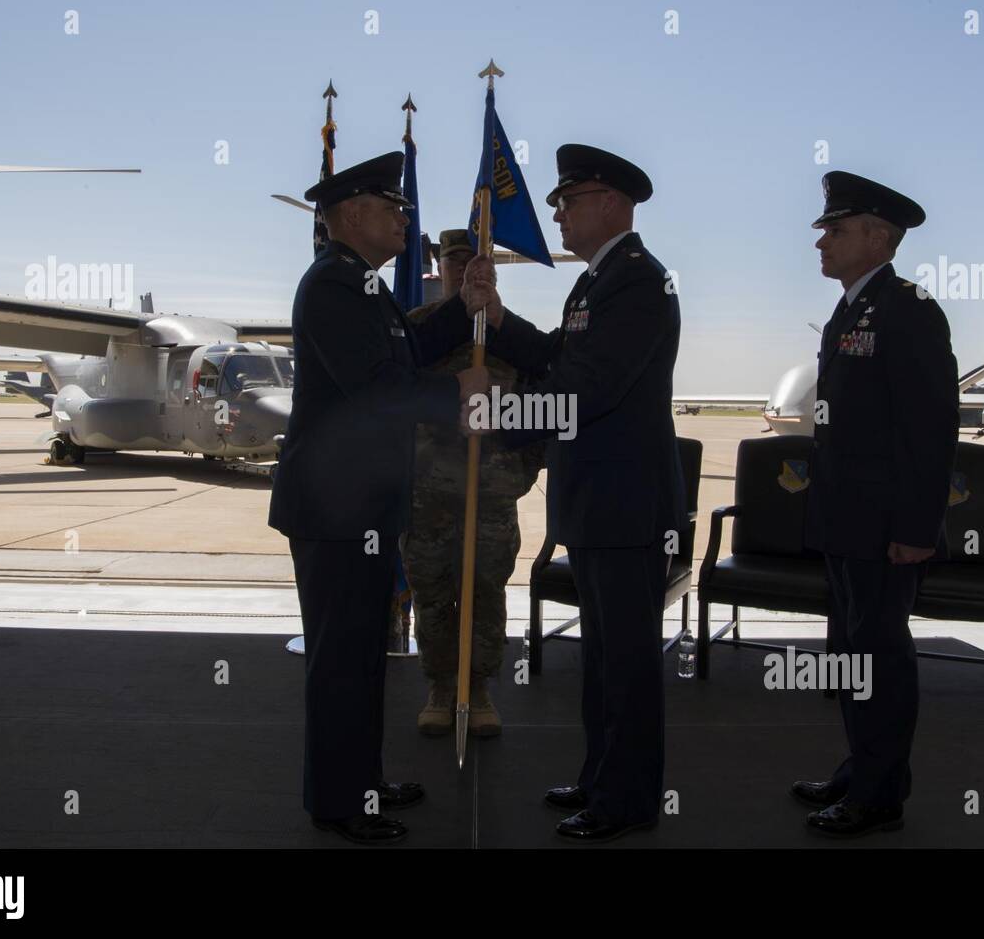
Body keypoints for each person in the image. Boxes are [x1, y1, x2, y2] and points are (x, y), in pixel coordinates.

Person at [462, 144, 686, 843]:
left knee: (627, 663)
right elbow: (561, 355)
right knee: (603, 660)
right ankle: (601, 777)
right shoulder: (597, 281)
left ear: (613, 203)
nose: (557, 211)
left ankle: (627, 799)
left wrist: (498, 412)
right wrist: (498, 320)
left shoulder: (641, 282)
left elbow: (588, 389)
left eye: (569, 199)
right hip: (597, 500)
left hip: (625, 504)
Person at [268, 153, 490, 845]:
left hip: (360, 505)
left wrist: (463, 308)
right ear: (353, 215)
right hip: (335, 510)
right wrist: (455, 393)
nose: (405, 217)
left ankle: (361, 779)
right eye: (392, 208)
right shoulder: (333, 286)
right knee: (341, 659)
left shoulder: (362, 287)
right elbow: (375, 388)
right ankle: (339, 800)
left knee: (363, 655)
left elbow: (409, 346)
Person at [795, 170, 959, 837]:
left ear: (877, 234)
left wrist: (918, 527)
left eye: (835, 230)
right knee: (852, 651)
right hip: (847, 521)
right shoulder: (853, 308)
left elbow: (931, 426)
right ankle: (860, 766)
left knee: (879, 657)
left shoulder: (909, 308)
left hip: (888, 528)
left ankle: (879, 793)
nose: (821, 243)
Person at [402, 230, 543, 738]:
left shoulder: (509, 332)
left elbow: (543, 407)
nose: (463, 270)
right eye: (453, 260)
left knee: (486, 589)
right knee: (433, 592)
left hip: (490, 493)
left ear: (493, 272)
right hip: (428, 496)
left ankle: (478, 686)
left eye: (475, 262)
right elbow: (391, 395)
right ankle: (441, 686)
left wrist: (520, 472)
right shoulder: (417, 329)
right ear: (438, 267)